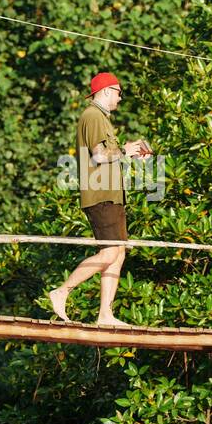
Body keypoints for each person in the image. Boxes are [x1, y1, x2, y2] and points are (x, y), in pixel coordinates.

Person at [47, 72, 152, 327]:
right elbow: (100, 155)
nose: (120, 97)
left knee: (118, 255)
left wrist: (131, 153)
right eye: (118, 91)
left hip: (110, 195)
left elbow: (109, 154)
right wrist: (125, 150)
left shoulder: (100, 118)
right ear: (105, 91)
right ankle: (62, 291)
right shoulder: (93, 116)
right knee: (109, 254)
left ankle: (105, 315)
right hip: (101, 195)